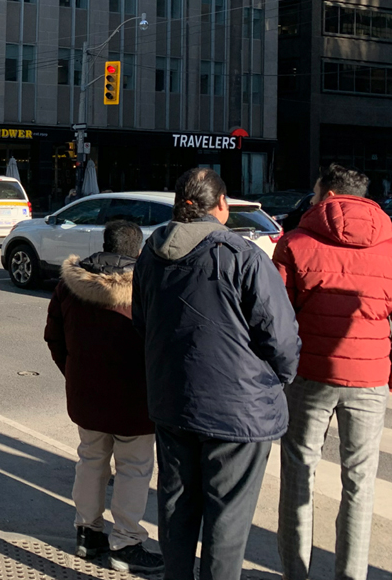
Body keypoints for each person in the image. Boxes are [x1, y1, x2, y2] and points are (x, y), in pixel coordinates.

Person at [132, 168, 300, 580]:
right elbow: (281, 338)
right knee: (227, 520)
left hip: (173, 402)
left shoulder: (151, 254)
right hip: (237, 413)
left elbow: (143, 322)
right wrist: (280, 378)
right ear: (220, 205)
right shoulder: (242, 255)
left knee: (176, 507)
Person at [274, 164, 392, 580]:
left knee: (299, 471)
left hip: (309, 374)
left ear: (326, 196)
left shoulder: (294, 244)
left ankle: (297, 572)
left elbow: (277, 320)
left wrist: (276, 375)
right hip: (369, 378)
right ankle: (351, 575)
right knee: (360, 482)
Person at [44, 219, 163, 574]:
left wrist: (75, 373)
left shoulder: (71, 284)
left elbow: (54, 337)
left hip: (87, 396)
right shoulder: (148, 287)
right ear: (139, 251)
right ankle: (126, 541)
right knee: (134, 469)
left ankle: (87, 532)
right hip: (136, 400)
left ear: (105, 244)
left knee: (91, 461)